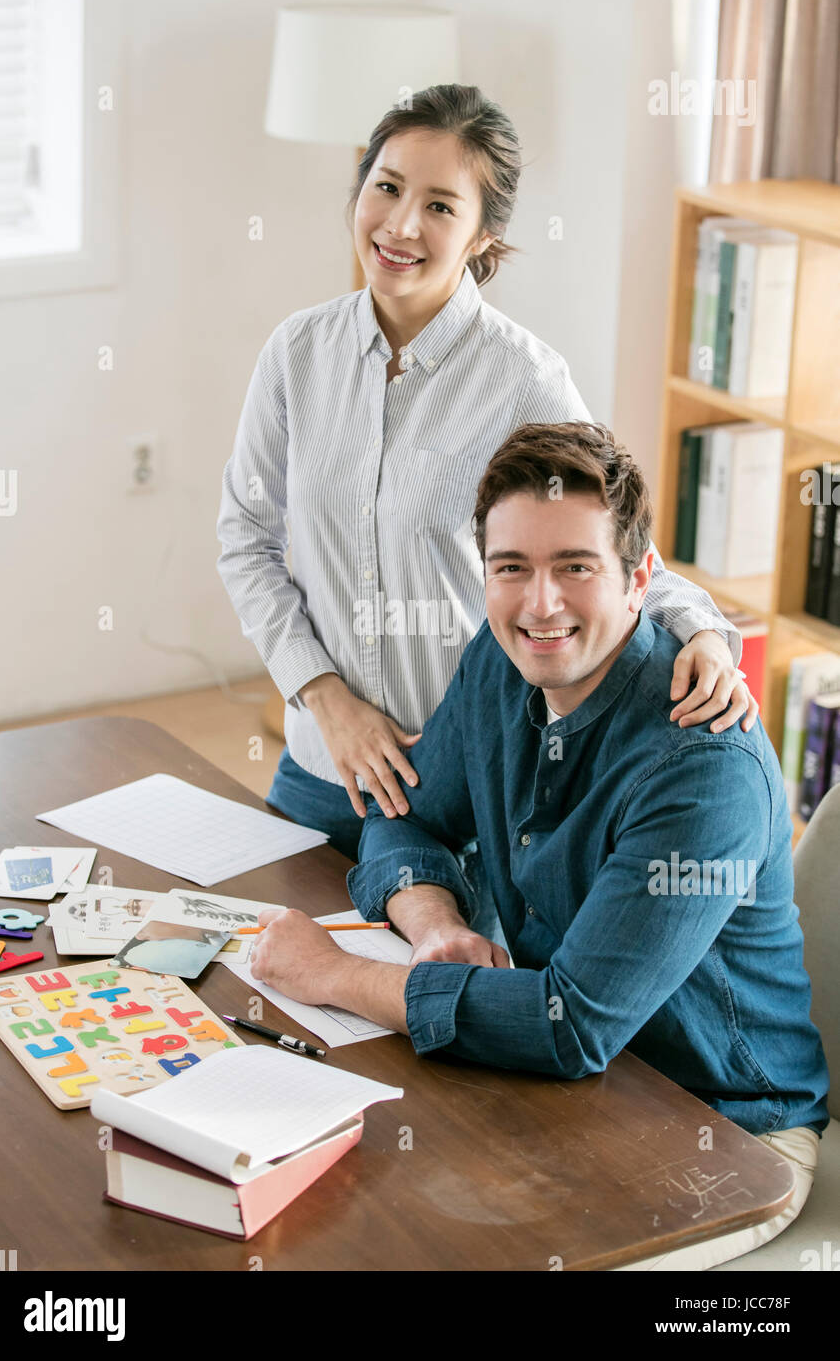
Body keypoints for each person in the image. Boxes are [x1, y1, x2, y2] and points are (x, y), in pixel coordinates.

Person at [248, 420, 830, 1271]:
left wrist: (337, 977)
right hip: (575, 1083)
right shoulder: (502, 658)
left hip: (722, 1133)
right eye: (511, 568)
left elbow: (568, 1026)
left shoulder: (704, 768)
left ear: (640, 582)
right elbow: (405, 812)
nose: (539, 604)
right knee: (338, 1214)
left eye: (575, 567)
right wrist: (431, 920)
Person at [216, 84, 757, 875]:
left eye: (441, 206)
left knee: (430, 993)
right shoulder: (296, 354)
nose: (401, 225)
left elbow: (611, 549)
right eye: (388, 187)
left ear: (483, 235)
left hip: (468, 798)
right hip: (322, 768)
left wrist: (705, 631)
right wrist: (326, 699)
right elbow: (246, 540)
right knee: (259, 980)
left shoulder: (524, 382)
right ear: (359, 189)